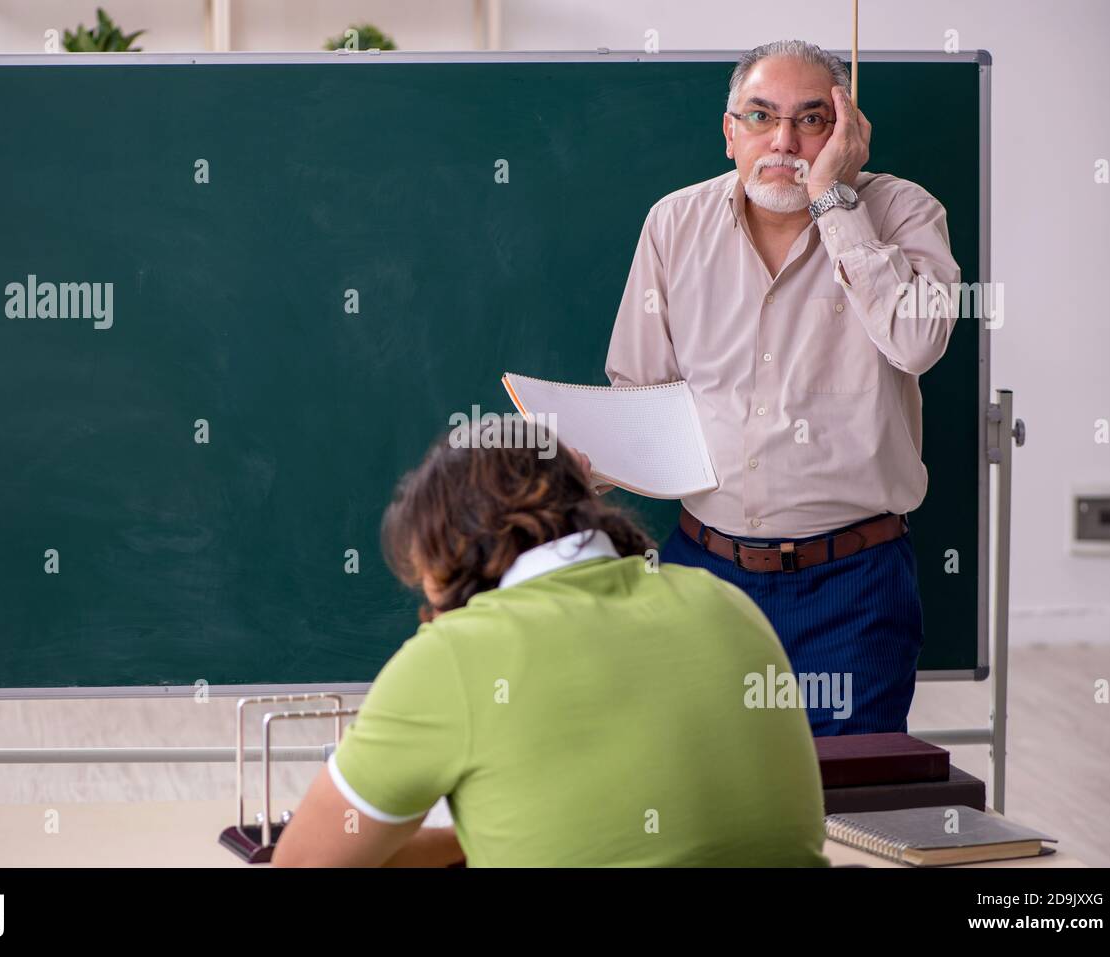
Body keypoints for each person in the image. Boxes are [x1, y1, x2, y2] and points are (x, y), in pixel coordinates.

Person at [601, 39, 960, 735]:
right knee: (699, 801)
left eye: (812, 119)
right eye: (761, 116)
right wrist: (583, 463)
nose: (785, 141)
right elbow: (639, 394)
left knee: (845, 813)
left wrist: (834, 199)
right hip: (702, 576)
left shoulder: (905, 213)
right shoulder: (673, 224)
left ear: (848, 131)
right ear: (729, 131)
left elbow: (918, 344)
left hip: (854, 586)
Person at [272, 429, 828, 867]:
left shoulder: (456, 656)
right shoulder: (725, 602)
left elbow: (301, 864)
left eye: (428, 585)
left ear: (452, 551)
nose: (428, 611)